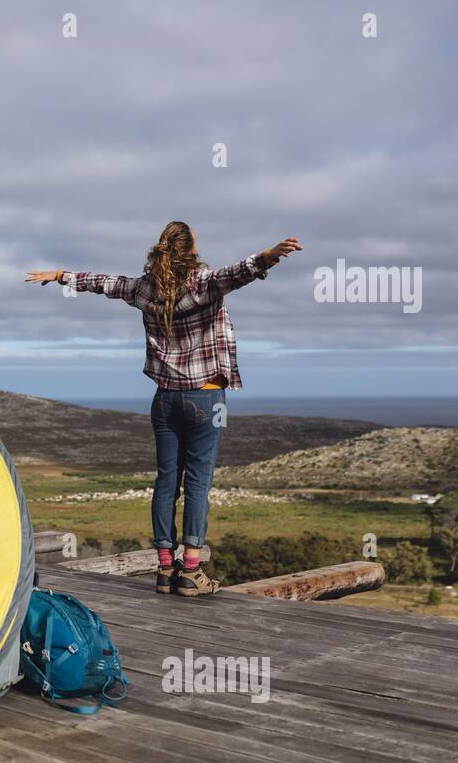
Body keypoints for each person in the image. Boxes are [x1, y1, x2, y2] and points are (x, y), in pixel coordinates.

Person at [26, 222, 302, 595]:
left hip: (165, 399)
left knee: (166, 481)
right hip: (205, 396)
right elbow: (239, 272)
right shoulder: (204, 283)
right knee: (198, 483)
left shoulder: (144, 288)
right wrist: (269, 256)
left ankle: (163, 567)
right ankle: (190, 570)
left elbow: (104, 282)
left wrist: (60, 275)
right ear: (191, 250)